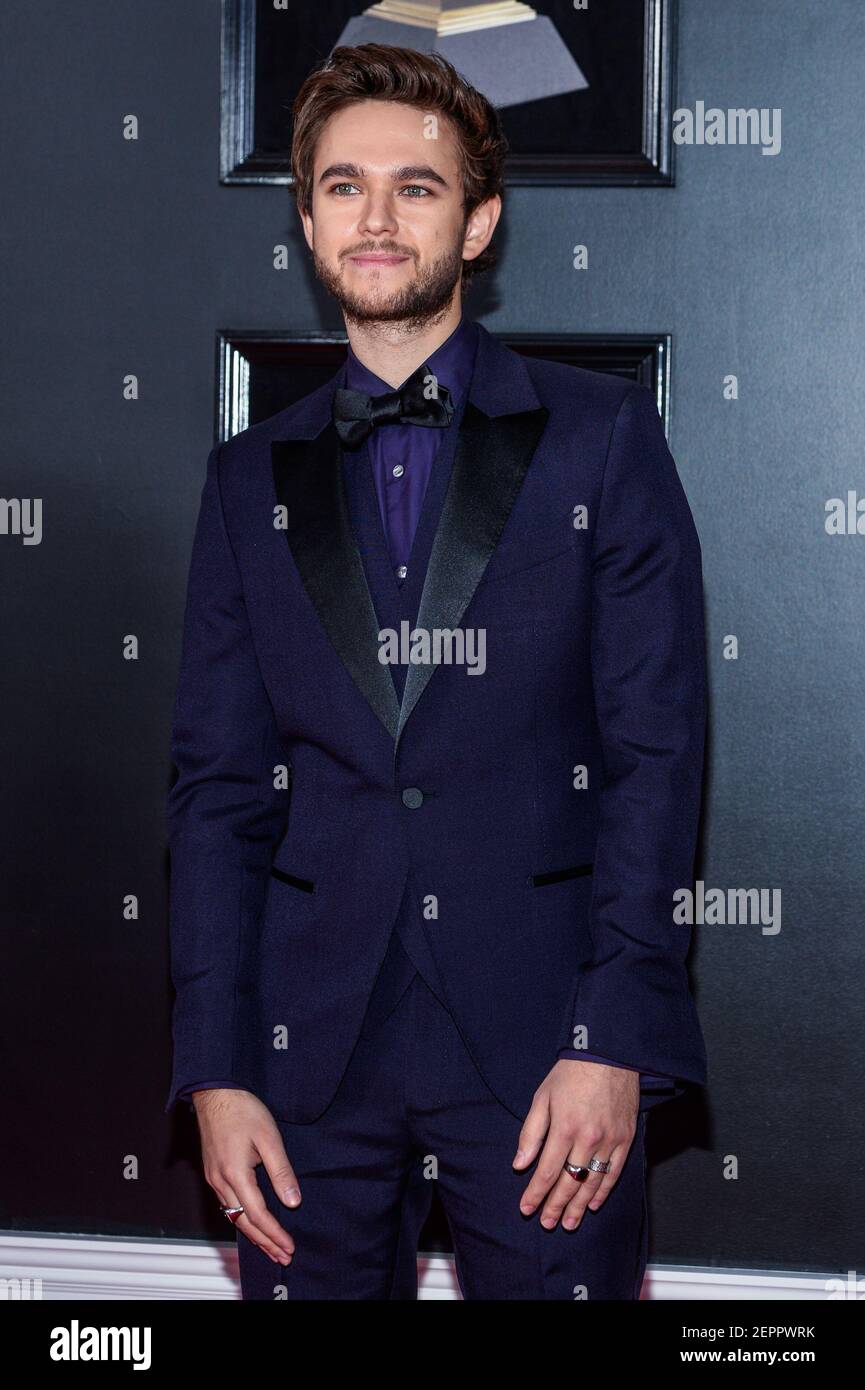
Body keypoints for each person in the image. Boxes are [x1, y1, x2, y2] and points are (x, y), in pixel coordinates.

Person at [165, 42, 708, 1300]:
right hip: (306, 1060)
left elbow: (654, 758)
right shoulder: (248, 481)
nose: (375, 216)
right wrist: (218, 1066)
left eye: (416, 186)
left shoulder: (602, 441)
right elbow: (217, 792)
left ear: (478, 223)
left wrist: (613, 1036)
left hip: (544, 1052)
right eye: (344, 186)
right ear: (306, 220)